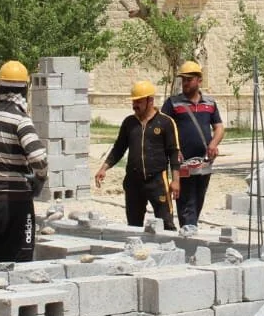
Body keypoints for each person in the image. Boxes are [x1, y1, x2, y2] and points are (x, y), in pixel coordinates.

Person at [0, 60, 48, 268]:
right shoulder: (20, 120)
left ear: (1, 86)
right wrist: (40, 178)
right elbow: (38, 157)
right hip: (14, 204)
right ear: (24, 89)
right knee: (19, 264)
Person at [95, 80, 181, 230]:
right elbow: (118, 148)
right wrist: (103, 168)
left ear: (150, 100)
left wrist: (175, 181)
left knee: (166, 224)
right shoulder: (129, 123)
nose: (135, 105)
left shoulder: (166, 123)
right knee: (133, 226)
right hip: (133, 182)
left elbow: (174, 153)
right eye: (134, 101)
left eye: (139, 101)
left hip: (157, 182)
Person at [161, 60, 224, 234]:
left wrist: (213, 144)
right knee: (186, 198)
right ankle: (188, 228)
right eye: (183, 80)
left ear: (199, 80)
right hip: (182, 163)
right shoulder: (173, 103)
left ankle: (190, 228)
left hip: (204, 161)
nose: (185, 83)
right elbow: (164, 129)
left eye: (189, 79)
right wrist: (175, 150)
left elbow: (219, 127)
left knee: (199, 196)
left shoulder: (210, 103)